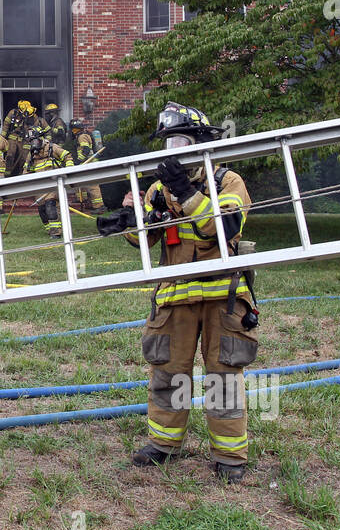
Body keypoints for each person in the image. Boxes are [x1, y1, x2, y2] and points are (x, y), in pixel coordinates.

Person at [96, 101, 256, 482]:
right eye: (168, 145)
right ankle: (164, 444)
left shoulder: (226, 182)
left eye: (180, 142)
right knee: (168, 372)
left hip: (224, 298)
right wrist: (131, 222)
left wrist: (186, 194)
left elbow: (225, 225)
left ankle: (230, 457)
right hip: (174, 299)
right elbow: (145, 242)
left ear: (200, 141)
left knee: (223, 377)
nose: (173, 153)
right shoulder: (155, 188)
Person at [26, 133, 74, 237]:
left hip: (53, 183)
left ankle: (56, 232)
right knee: (42, 210)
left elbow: (67, 156)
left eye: (35, 141)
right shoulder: (32, 154)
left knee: (50, 206)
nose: (34, 144)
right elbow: (27, 169)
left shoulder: (53, 148)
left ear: (41, 139)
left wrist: (69, 170)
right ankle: (50, 229)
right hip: (40, 186)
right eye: (31, 142)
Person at [68, 119, 104, 212]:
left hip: (89, 163)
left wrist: (78, 161)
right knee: (81, 182)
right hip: (86, 163)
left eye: (72, 129)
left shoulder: (82, 137)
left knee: (92, 185)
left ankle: (99, 207)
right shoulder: (84, 135)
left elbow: (86, 150)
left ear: (74, 129)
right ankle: (82, 199)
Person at [0, 100, 38, 176]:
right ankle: (7, 173)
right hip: (13, 137)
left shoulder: (33, 116)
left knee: (24, 158)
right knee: (10, 155)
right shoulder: (13, 113)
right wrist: (2, 139)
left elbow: (35, 128)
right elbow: (6, 125)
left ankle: (21, 174)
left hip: (26, 139)